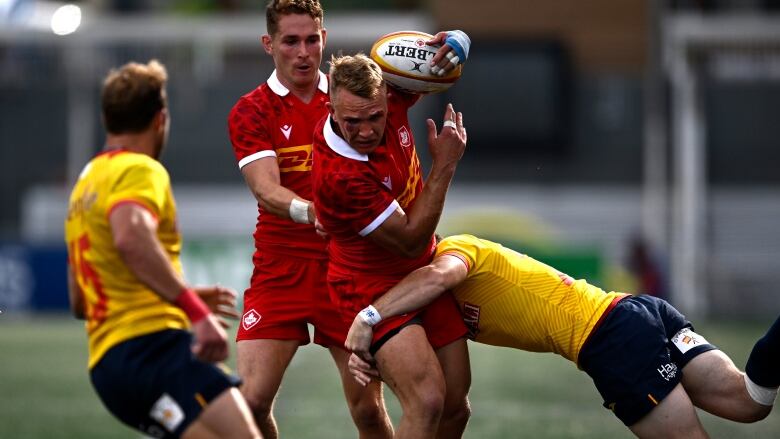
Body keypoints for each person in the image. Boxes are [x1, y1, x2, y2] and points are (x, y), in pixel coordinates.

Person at [227, 1, 469, 437]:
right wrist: (310, 211)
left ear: (324, 39)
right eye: (290, 41)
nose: (303, 52)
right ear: (269, 45)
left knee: (368, 411)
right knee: (251, 401)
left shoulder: (360, 93)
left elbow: (435, 63)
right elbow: (265, 188)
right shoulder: (252, 110)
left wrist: (458, 42)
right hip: (281, 267)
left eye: (311, 39)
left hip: (348, 269)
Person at [345, 234, 780, 438]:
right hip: (636, 311)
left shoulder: (452, 252)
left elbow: (440, 275)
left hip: (611, 336)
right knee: (751, 402)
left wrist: (368, 316)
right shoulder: (425, 308)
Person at [64, 60, 261, 439]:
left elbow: (80, 301)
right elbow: (131, 236)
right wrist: (196, 311)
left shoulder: (85, 185)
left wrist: (174, 296)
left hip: (109, 368)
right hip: (154, 351)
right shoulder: (139, 169)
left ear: (107, 119)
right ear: (161, 118)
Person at [311, 53, 472, 439]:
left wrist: (456, 44)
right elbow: (411, 238)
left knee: (455, 406)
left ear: (387, 97)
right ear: (330, 104)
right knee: (428, 399)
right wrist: (445, 165)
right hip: (368, 284)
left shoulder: (389, 91)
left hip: (420, 271)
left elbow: (438, 66)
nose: (366, 131)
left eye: (375, 117)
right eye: (352, 121)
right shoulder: (340, 176)